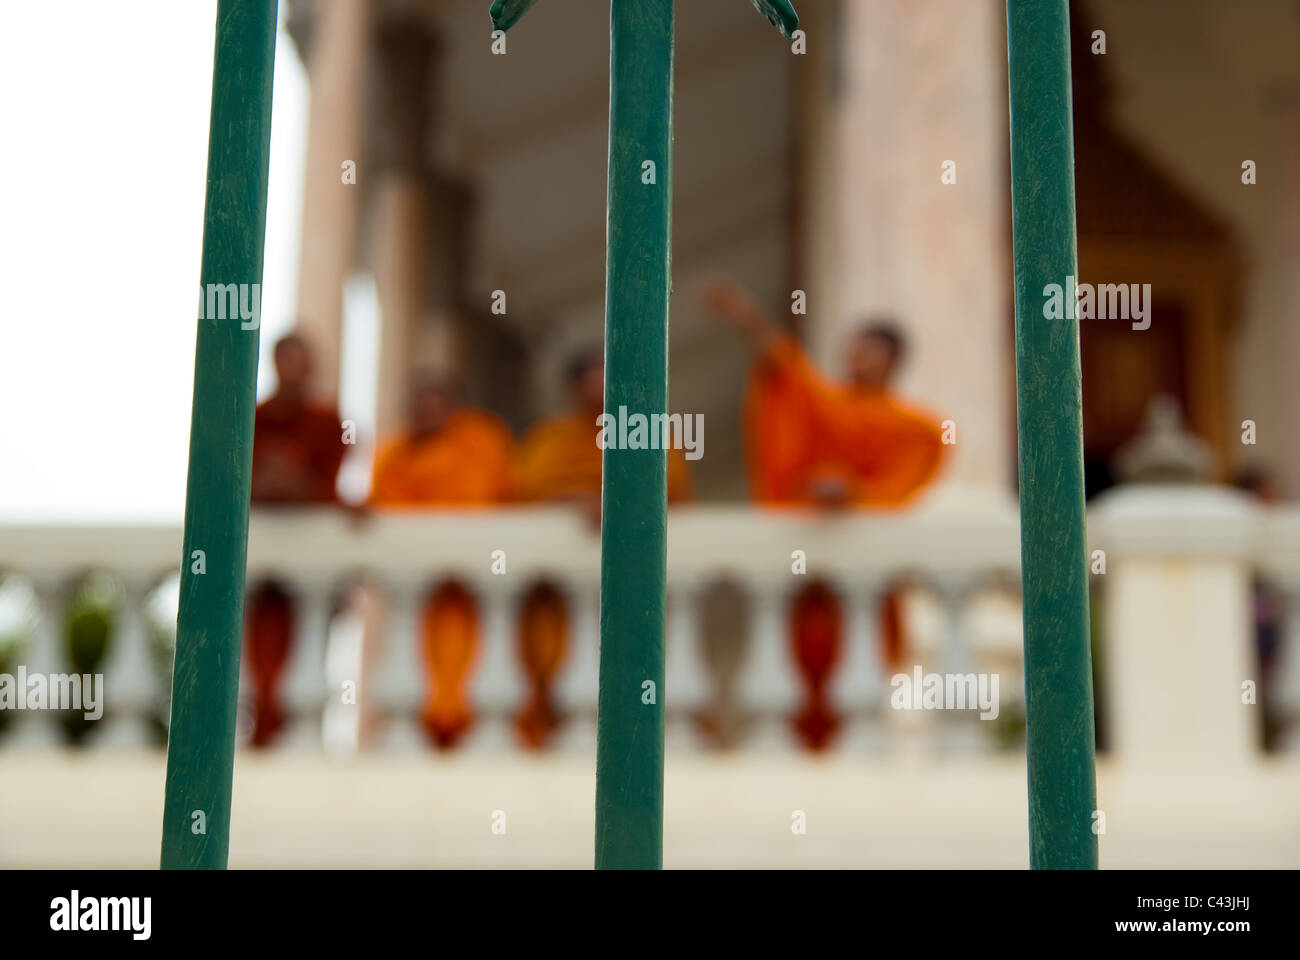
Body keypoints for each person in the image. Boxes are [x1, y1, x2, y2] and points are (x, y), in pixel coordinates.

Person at [704, 278, 948, 747]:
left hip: (867, 587)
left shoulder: (917, 429)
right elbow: (789, 370)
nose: (854, 357)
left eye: (867, 350)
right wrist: (749, 321)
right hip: (806, 582)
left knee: (861, 695)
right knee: (793, 686)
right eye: (851, 347)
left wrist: (853, 493)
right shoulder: (824, 403)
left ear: (892, 360)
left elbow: (898, 491)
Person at [510, 348, 693, 746]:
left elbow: (672, 495)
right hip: (557, 590)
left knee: (638, 666)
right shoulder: (549, 440)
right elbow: (523, 496)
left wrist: (616, 501)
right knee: (550, 665)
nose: (603, 389)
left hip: (633, 583)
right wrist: (574, 499)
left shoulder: (651, 433)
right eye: (593, 380)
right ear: (573, 389)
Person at [370, 375, 514, 746]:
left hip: (472, 588)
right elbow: (385, 512)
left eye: (437, 403)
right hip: (419, 592)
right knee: (416, 666)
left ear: (455, 408)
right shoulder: (395, 453)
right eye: (420, 404)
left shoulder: (481, 441)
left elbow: (503, 499)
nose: (428, 412)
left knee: (475, 665)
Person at [246, 332, 345, 746]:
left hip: (310, 569)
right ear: (274, 364)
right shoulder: (254, 419)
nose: (295, 371)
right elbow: (236, 486)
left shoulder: (327, 423)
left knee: (307, 661)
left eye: (302, 363)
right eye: (288, 361)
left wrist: (299, 486)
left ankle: (300, 741)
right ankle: (260, 739)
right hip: (261, 573)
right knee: (258, 671)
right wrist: (270, 483)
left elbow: (328, 488)